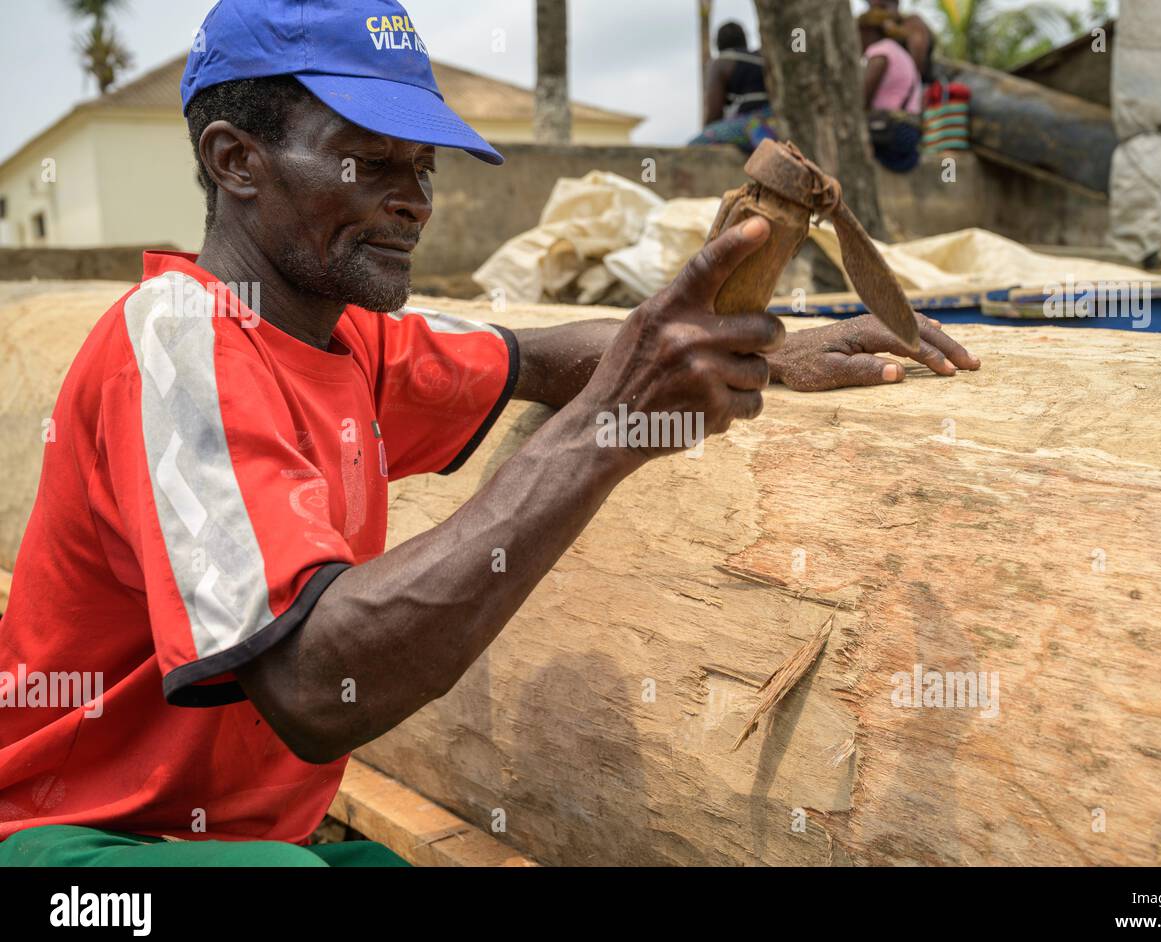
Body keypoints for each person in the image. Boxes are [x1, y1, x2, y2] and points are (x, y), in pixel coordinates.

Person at [0, 0, 978, 866]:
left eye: (421, 169)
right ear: (235, 161)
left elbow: (540, 354)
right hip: (73, 846)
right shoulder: (175, 344)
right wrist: (609, 429)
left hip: (246, 841)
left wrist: (768, 352)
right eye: (371, 163)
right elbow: (312, 682)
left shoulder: (352, 342)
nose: (414, 202)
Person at [689, 22, 776, 155]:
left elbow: (714, 113)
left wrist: (709, 130)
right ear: (745, 40)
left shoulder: (721, 62)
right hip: (776, 120)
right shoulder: (761, 56)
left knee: (696, 145)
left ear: (717, 44)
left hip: (754, 124)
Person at [859, 10, 924, 173]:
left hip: (893, 134)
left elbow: (862, 100)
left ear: (866, 31)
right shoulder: (897, 50)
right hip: (909, 134)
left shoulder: (880, 53)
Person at [868, 0, 937, 84]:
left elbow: (916, 67)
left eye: (883, 7)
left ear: (896, 3)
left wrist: (895, 32)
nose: (878, 11)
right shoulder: (873, 30)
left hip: (919, 87)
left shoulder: (913, 23)